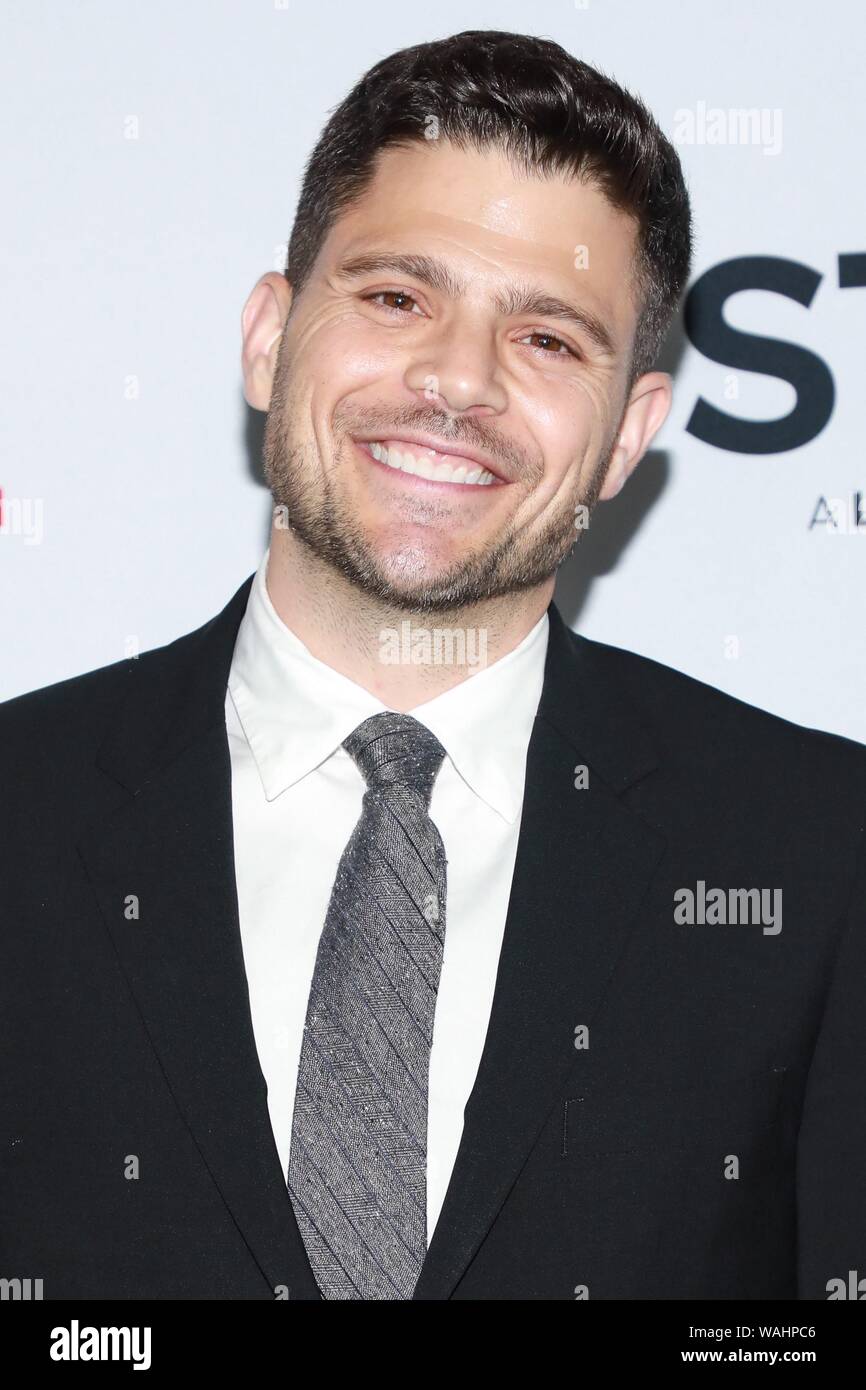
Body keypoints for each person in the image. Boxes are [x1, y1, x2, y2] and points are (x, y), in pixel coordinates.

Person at [2, 29, 864, 1301]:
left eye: (548, 340)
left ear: (630, 434)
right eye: (398, 296)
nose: (455, 381)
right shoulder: (20, 807)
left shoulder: (814, 851)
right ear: (266, 337)